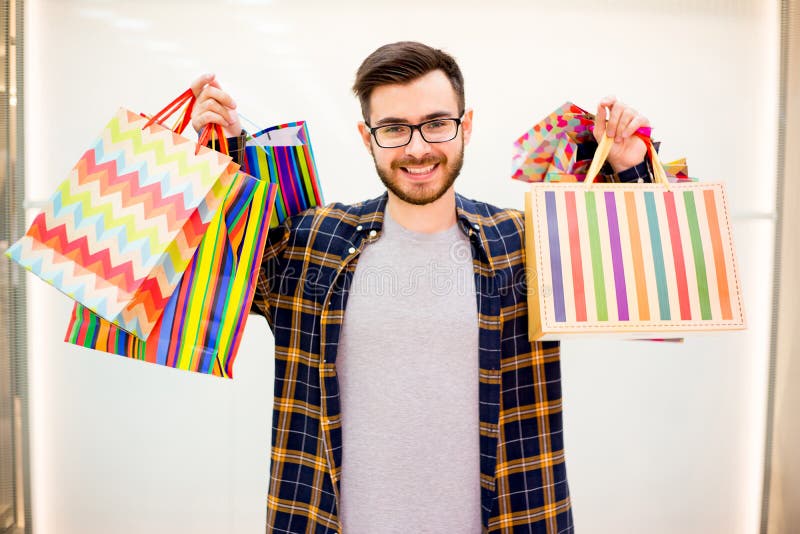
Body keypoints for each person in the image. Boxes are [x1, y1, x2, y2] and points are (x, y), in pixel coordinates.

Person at [190, 41, 652, 534]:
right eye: (393, 129)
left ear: (466, 126)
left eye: (436, 123)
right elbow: (222, 276)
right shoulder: (314, 242)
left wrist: (630, 168)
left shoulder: (525, 242)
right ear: (367, 138)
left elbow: (640, 295)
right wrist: (224, 149)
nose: (416, 148)